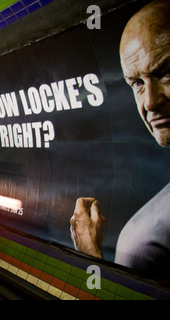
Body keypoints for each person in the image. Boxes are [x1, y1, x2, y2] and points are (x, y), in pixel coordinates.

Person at [70, 0, 170, 280]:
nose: (150, 102)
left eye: (165, 72)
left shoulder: (145, 238)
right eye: (136, 84)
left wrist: (90, 254)